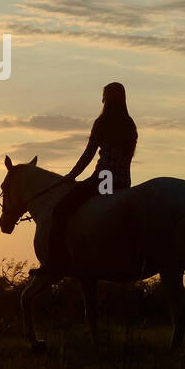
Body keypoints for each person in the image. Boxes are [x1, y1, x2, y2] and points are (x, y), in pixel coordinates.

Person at [44, 82, 137, 274]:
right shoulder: (129, 125)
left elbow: (89, 154)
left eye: (103, 96)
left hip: (103, 179)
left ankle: (56, 260)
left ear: (107, 99)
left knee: (60, 210)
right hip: (123, 183)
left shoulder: (102, 123)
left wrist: (72, 175)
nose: (101, 100)